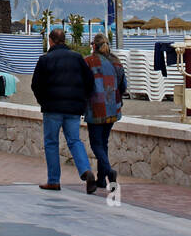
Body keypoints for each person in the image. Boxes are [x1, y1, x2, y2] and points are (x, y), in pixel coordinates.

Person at [31, 27, 98, 193]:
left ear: (50, 40)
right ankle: (85, 170)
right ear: (65, 40)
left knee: (51, 143)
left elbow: (35, 85)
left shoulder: (45, 60)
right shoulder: (77, 58)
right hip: (74, 109)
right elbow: (90, 82)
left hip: (52, 109)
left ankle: (54, 181)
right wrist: (82, 101)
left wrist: (43, 102)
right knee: (74, 140)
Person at [84, 33, 127, 191]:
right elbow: (123, 85)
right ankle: (101, 179)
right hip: (113, 108)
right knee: (104, 142)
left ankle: (109, 172)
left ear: (94, 46)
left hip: (95, 108)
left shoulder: (89, 61)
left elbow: (84, 84)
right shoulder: (116, 61)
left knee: (96, 144)